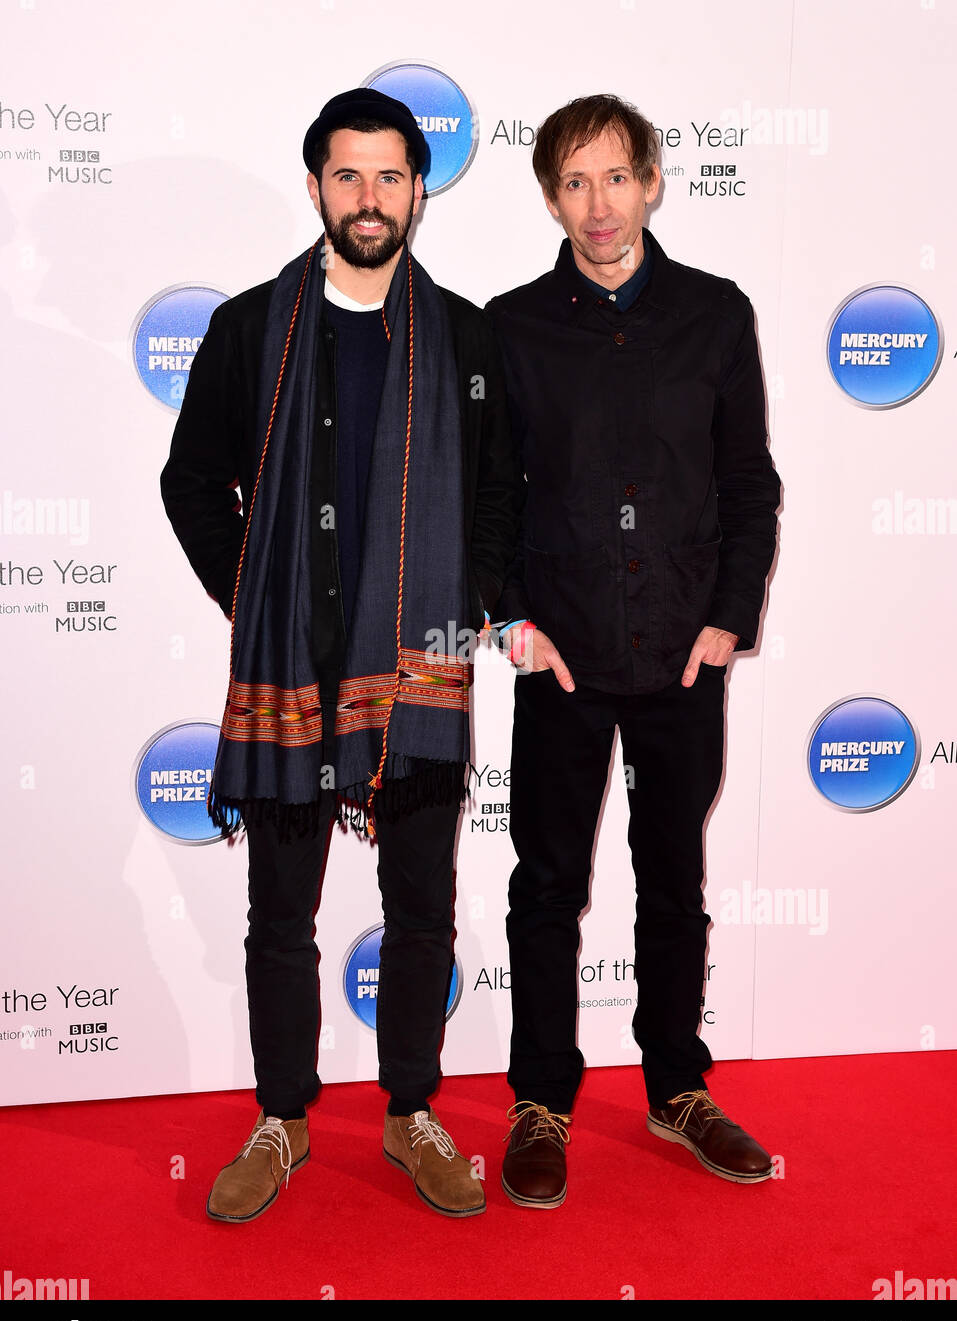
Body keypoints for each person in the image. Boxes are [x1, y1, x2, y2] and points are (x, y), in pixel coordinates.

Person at [161, 88, 517, 1222]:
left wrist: (467, 609)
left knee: (422, 911)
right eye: (348, 175)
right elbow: (190, 485)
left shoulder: (463, 334)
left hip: (417, 681)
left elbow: (504, 496)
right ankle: (283, 1119)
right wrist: (248, 594)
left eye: (391, 176)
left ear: (422, 188)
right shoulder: (251, 328)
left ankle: (412, 1112)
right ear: (315, 184)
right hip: (291, 671)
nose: (371, 198)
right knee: (282, 918)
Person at [486, 94, 782, 1208]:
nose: (598, 205)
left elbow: (750, 484)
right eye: (574, 182)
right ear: (551, 196)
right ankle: (539, 1100)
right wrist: (509, 617)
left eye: (616, 178)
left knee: (675, 880)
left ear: (654, 181)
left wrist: (728, 615)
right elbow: (491, 495)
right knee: (547, 883)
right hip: (561, 656)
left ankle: (677, 1088)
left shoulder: (715, 314)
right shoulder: (513, 326)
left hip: (680, 657)